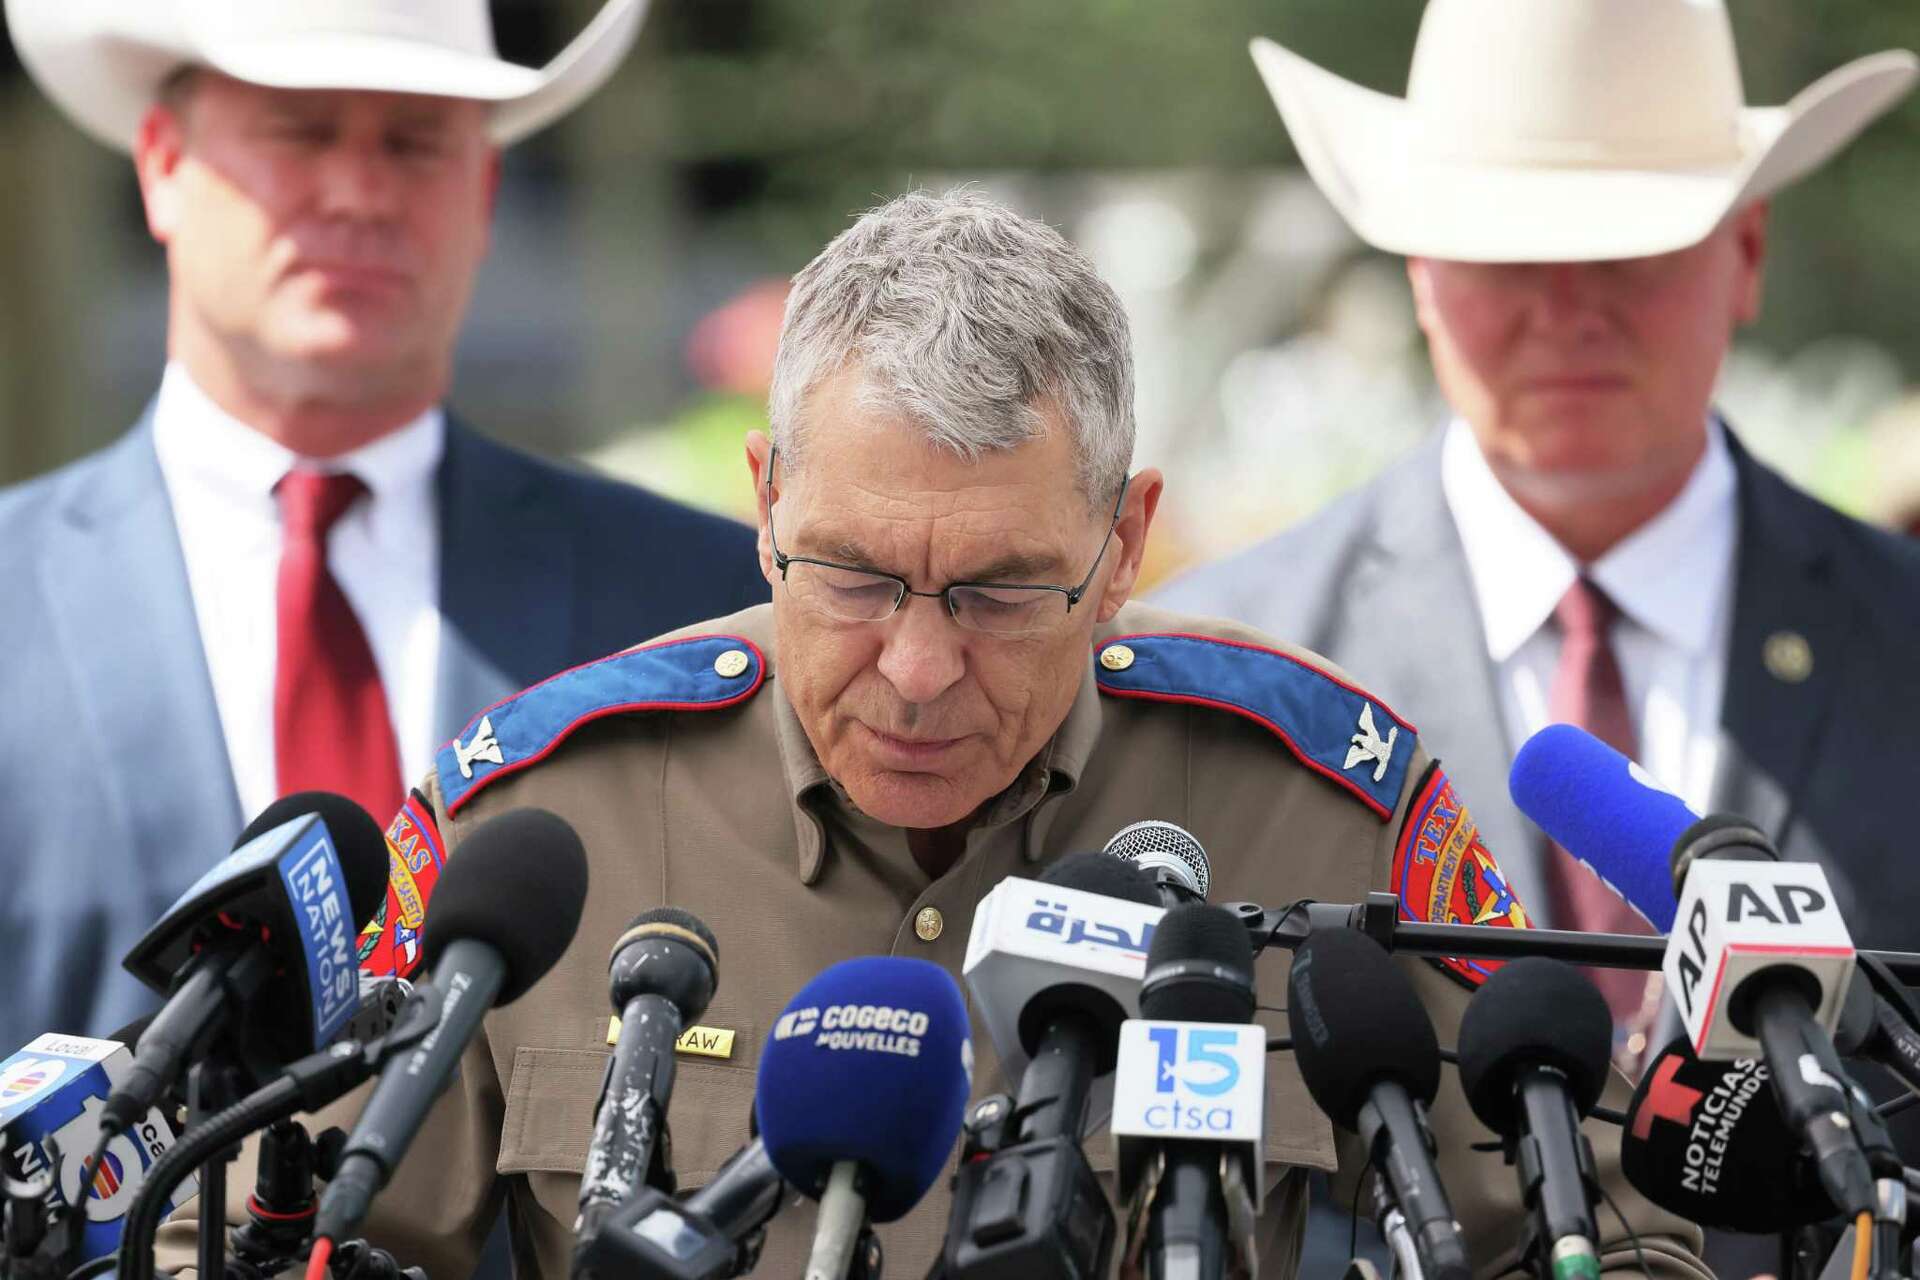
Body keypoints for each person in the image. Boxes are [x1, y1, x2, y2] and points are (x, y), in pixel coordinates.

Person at [161, 189, 1710, 1279]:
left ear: (1125, 545)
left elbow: (1613, 1241)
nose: (915, 669)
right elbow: (256, 1239)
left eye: (999, 592)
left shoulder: (1325, 804)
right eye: (851, 576)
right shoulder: (538, 822)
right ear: (765, 502)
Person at [0, 0, 768, 1050]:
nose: (359, 193)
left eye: (413, 142)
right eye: (300, 130)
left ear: (484, 191)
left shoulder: (699, 610)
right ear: (163, 163)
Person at [1161, 0, 1920, 981]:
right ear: (1421, 271)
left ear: (1747, 251)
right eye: (1504, 248)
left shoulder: (1900, 633)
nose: (1566, 309)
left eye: (1627, 245)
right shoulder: (1227, 676)